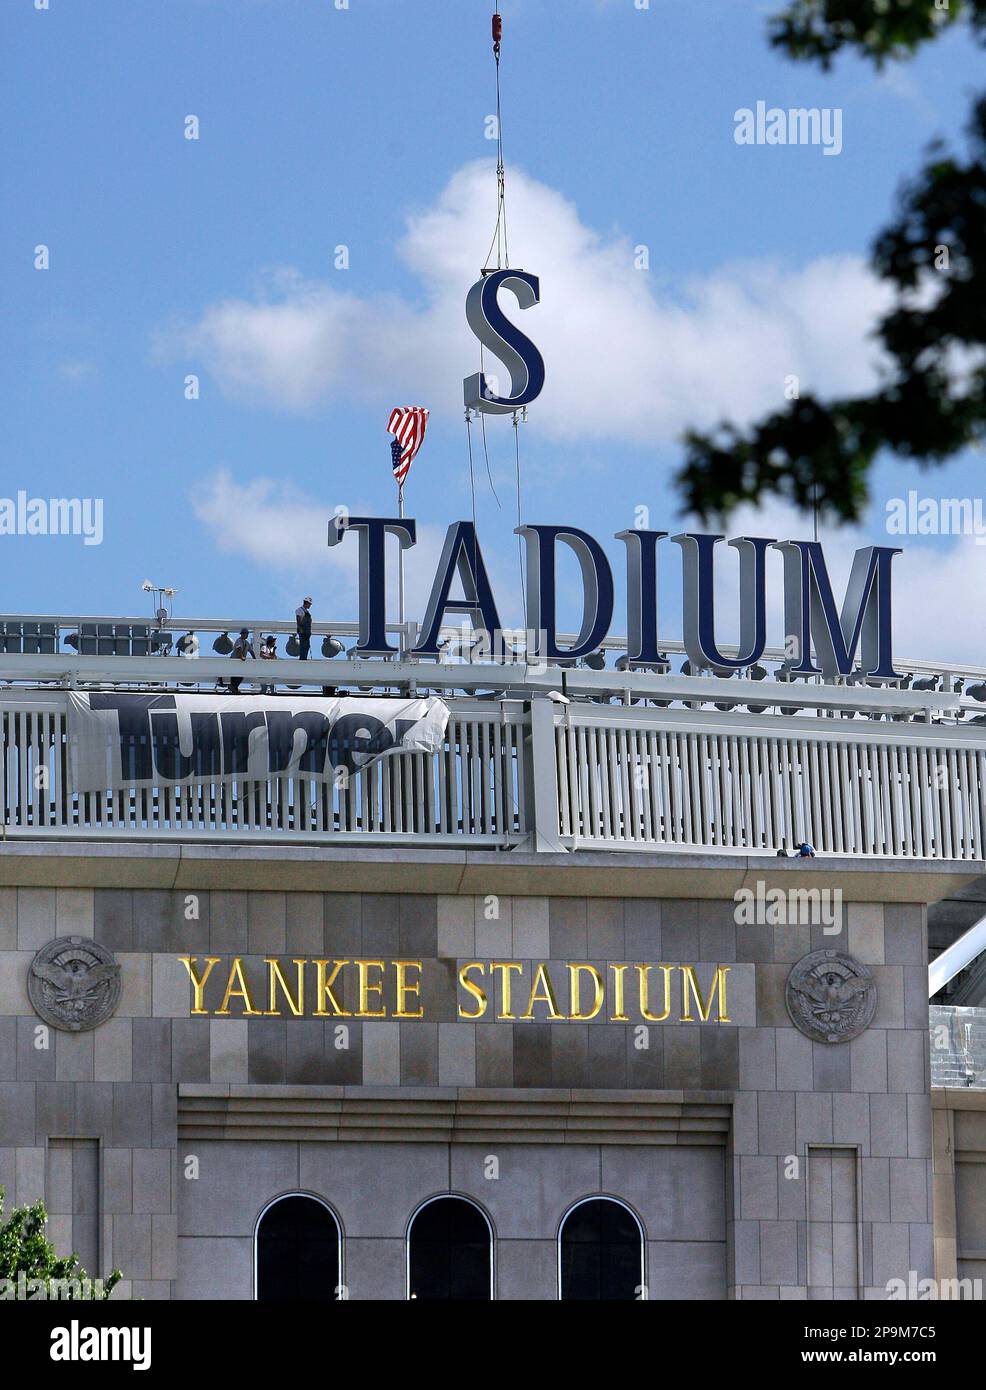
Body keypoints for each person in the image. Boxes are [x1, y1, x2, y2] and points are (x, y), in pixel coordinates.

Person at [229, 628, 254, 693]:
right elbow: (239, 648)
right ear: (242, 634)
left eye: (247, 634)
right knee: (235, 675)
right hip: (235, 660)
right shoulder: (238, 640)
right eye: (245, 634)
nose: (246, 635)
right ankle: (233, 688)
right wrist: (241, 657)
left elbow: (251, 651)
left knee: (240, 675)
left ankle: (234, 688)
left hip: (240, 661)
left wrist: (255, 659)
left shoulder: (246, 643)